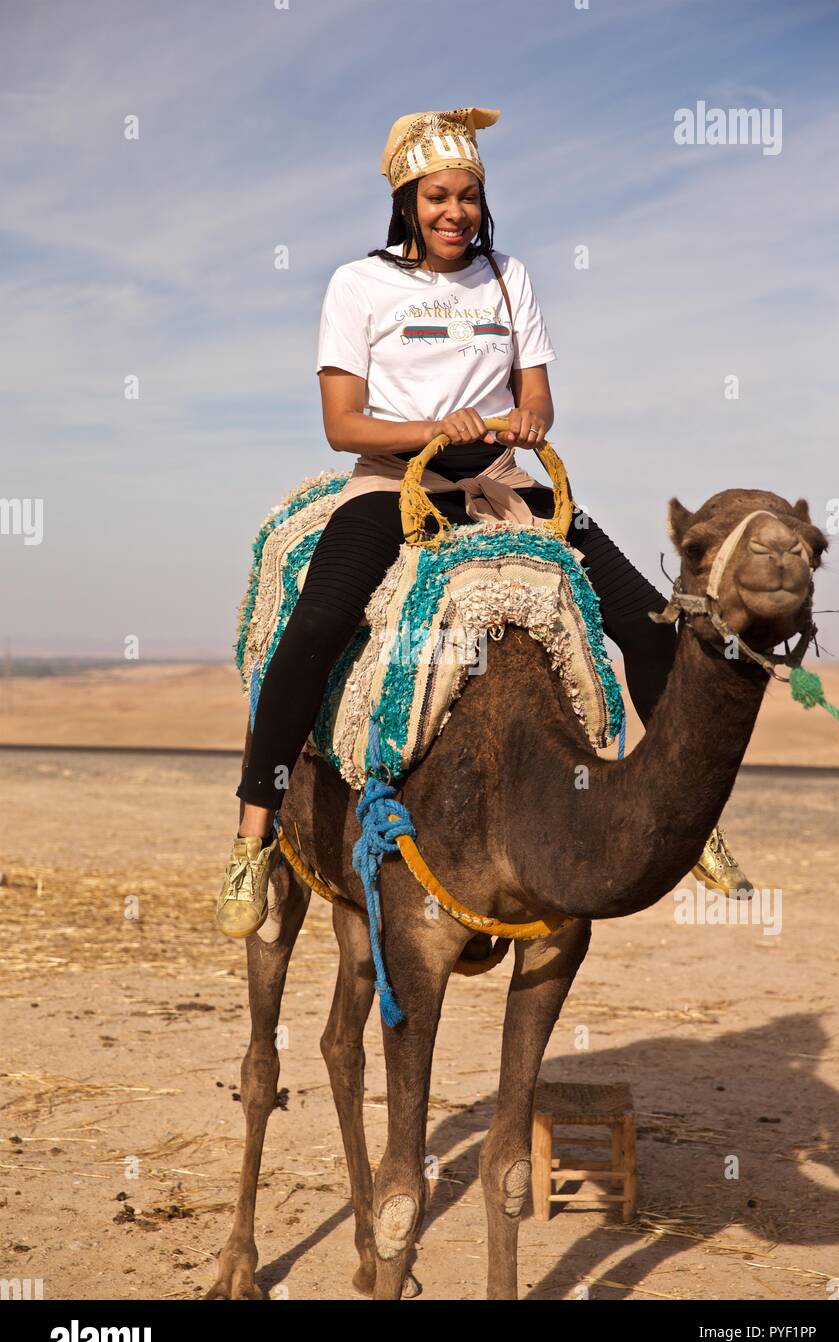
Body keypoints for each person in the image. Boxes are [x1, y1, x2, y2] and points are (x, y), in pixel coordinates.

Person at [215, 106, 751, 938]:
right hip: (394, 482)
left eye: (468, 196)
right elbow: (343, 424)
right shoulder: (359, 286)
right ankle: (254, 835)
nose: (454, 212)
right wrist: (436, 429)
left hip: (502, 480)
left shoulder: (510, 278)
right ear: (407, 201)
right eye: (437, 197)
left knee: (649, 626)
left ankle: (691, 823)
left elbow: (537, 392)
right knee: (314, 627)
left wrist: (526, 419)